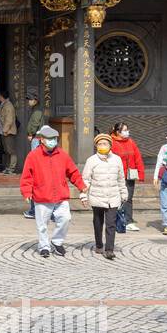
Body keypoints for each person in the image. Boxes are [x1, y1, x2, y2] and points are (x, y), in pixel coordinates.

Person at [20, 124, 86, 258]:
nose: (53, 141)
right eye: (50, 138)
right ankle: (44, 246)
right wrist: (26, 192)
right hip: (42, 196)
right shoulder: (33, 156)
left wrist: (81, 186)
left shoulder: (62, 154)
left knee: (65, 218)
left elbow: (72, 172)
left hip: (61, 195)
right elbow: (27, 176)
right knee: (42, 224)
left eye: (55, 138)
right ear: (42, 139)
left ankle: (57, 241)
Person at [80, 133, 126, 260]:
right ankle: (99, 244)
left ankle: (109, 249)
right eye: (99, 144)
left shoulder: (117, 160)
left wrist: (124, 193)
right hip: (97, 196)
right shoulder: (91, 160)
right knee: (98, 221)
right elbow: (86, 179)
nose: (102, 146)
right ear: (96, 146)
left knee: (111, 223)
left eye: (105, 143)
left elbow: (121, 178)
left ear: (110, 145)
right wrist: (83, 194)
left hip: (113, 196)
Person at [109, 121, 145, 232]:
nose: (127, 132)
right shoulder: (111, 143)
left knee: (128, 199)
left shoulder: (131, 142)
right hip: (117, 176)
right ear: (117, 132)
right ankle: (115, 220)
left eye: (127, 129)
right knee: (117, 199)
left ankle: (128, 221)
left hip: (129, 175)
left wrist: (141, 173)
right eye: (124, 130)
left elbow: (137, 157)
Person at [22, 93, 47, 219]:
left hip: (36, 137)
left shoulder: (37, 111)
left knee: (34, 161)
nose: (29, 102)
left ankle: (34, 210)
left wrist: (30, 133)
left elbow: (34, 123)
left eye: (30, 99)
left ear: (35, 100)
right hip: (36, 137)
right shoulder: (36, 110)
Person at [0, 90, 18, 173]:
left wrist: (5, 130)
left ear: (2, 96)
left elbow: (9, 119)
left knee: (11, 150)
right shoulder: (3, 105)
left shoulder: (8, 106)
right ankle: (8, 167)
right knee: (6, 150)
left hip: (8, 132)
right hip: (3, 131)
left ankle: (12, 168)